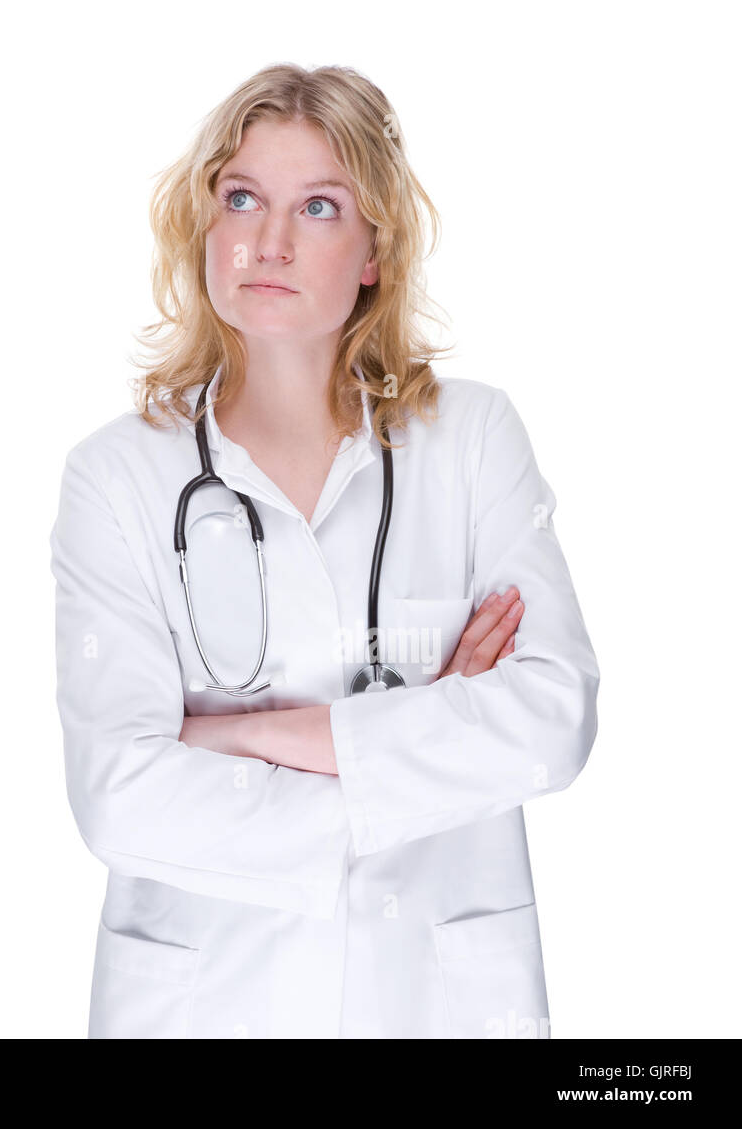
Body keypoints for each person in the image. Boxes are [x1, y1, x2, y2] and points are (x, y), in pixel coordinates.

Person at [48, 62, 599, 1039]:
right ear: (204, 224)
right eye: (242, 197)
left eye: (317, 206)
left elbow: (550, 719)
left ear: (375, 248)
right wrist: (429, 733)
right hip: (206, 1000)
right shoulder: (118, 476)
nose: (267, 240)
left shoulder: (469, 441)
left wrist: (235, 735)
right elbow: (120, 800)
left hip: (435, 998)